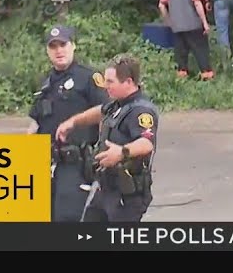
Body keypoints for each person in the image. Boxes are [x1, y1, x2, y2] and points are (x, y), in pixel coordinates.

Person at [57, 54, 160, 222]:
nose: (105, 86)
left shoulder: (141, 111)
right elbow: (100, 112)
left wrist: (122, 152)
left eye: (110, 81)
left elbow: (146, 143)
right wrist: (73, 122)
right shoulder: (117, 104)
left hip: (127, 195)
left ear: (128, 82)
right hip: (106, 189)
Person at [26, 24, 110, 222]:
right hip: (46, 163)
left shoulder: (88, 78)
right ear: (48, 51)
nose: (59, 50)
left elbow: (107, 112)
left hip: (76, 164)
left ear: (73, 46)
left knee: (67, 218)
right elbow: (35, 123)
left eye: (63, 44)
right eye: (53, 46)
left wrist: (103, 153)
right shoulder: (45, 83)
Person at [159, 0, 214, 80]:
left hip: (177, 27)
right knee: (201, 51)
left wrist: (168, 22)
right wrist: (205, 23)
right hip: (193, 25)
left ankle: (182, 78)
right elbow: (197, 4)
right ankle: (207, 77)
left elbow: (161, 5)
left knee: (181, 54)